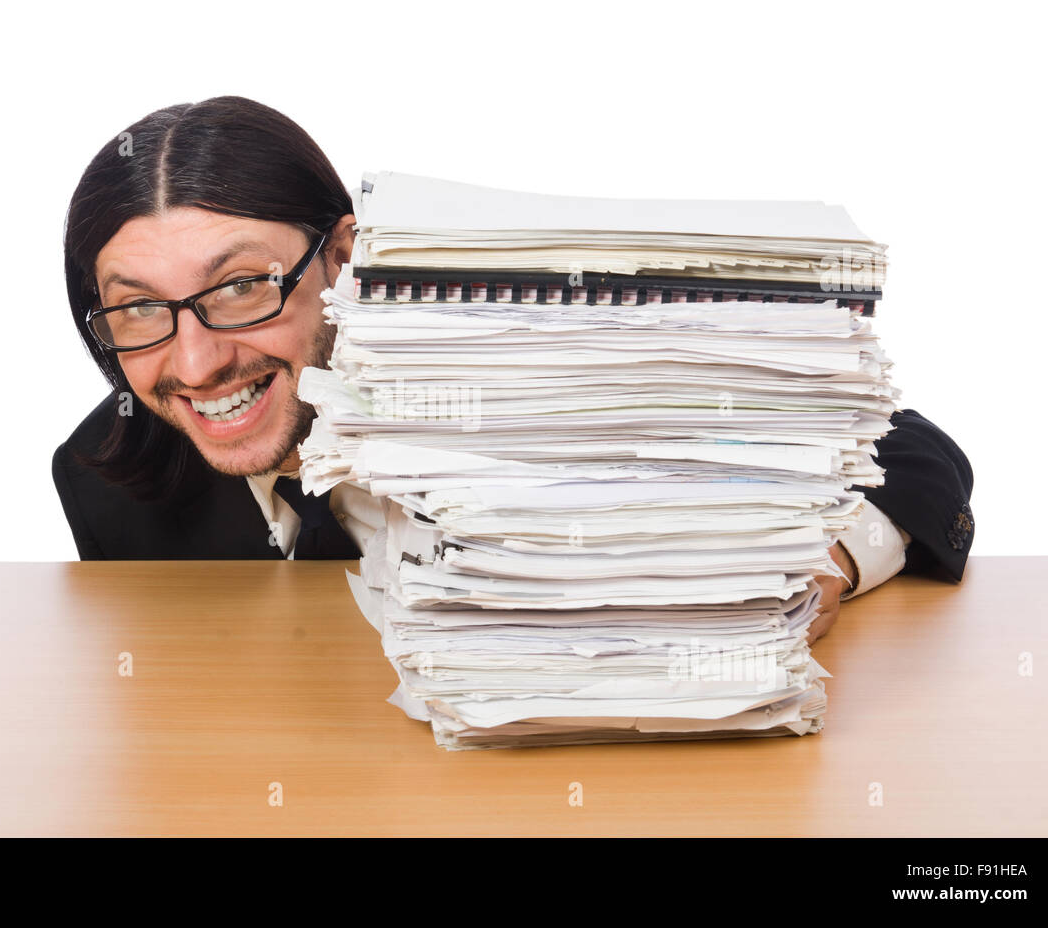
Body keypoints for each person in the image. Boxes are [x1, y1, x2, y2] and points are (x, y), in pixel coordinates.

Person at [52, 96, 975, 645]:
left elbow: (910, 450)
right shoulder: (109, 481)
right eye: (140, 308)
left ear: (342, 259)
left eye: (244, 285)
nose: (199, 359)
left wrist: (827, 560)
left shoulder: (508, 364)